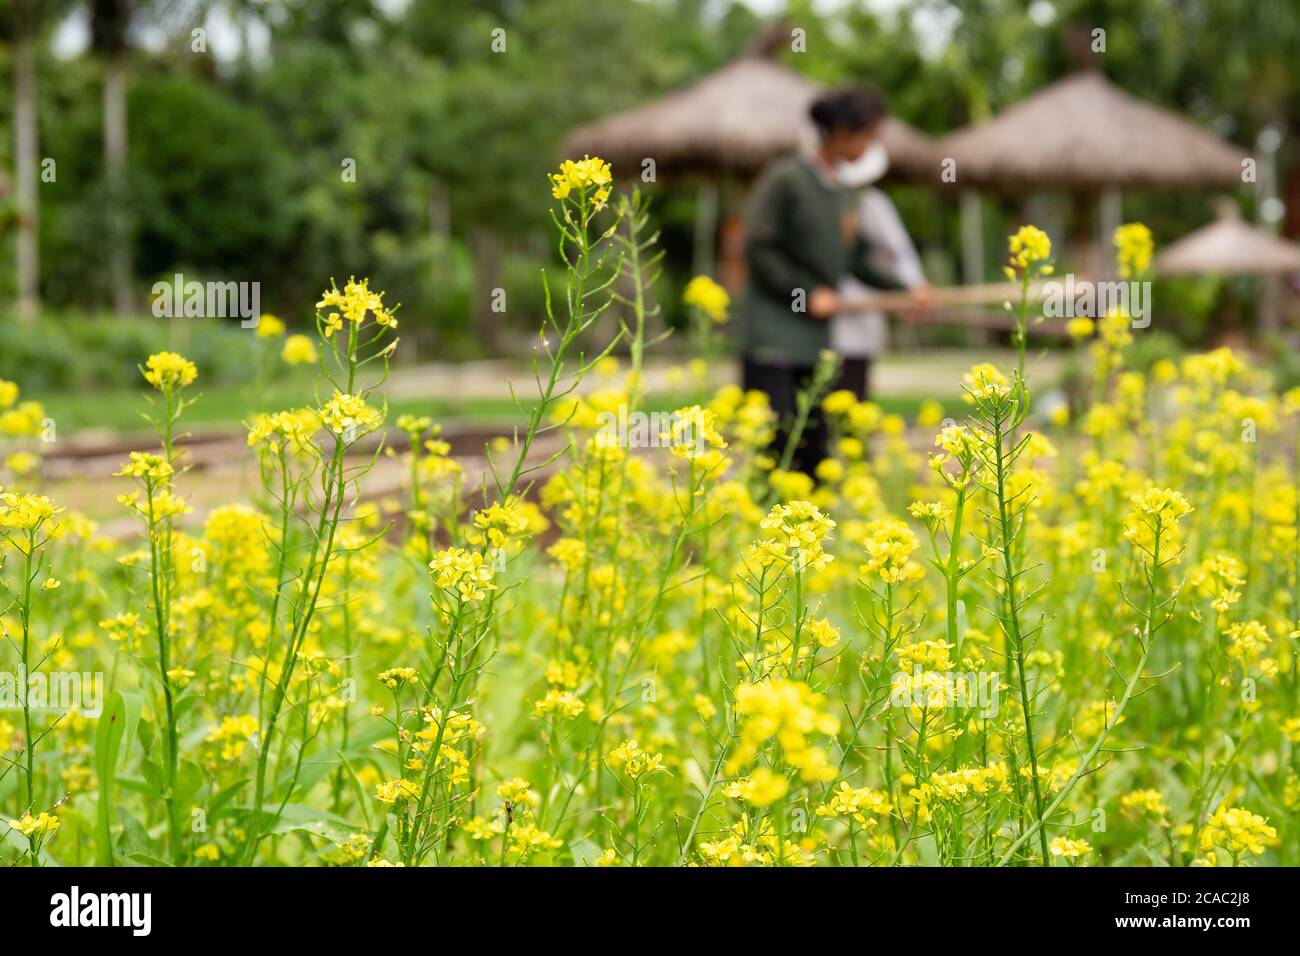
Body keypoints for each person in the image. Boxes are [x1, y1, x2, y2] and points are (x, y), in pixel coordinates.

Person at [739, 86, 913, 478]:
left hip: (815, 343)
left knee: (815, 445)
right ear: (839, 131)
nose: (871, 145)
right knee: (777, 441)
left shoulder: (842, 193)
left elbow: (857, 259)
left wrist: (906, 293)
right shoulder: (785, 179)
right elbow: (759, 247)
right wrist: (806, 292)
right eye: (867, 135)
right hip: (774, 338)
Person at [831, 142, 929, 401]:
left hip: (860, 306)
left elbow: (899, 251)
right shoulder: (820, 203)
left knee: (852, 383)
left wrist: (914, 287)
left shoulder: (873, 203)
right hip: (821, 312)